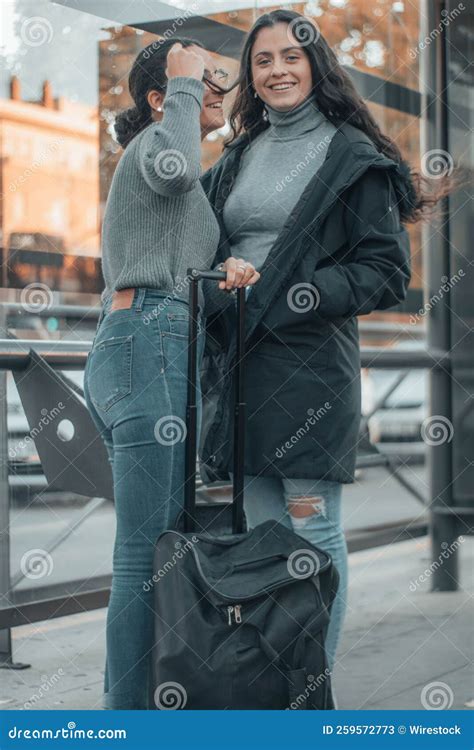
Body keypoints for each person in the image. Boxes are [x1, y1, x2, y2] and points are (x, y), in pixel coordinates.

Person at [200, 9, 453, 682]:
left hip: (309, 371)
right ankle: (273, 688)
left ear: (316, 66)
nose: (277, 69)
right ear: (251, 76)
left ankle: (311, 692)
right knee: (262, 540)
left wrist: (295, 292)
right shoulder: (238, 154)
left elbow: (385, 272)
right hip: (244, 367)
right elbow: (198, 237)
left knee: (311, 533)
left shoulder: (350, 156)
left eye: (291, 56)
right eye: (263, 61)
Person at [83, 37, 260, 710]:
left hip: (156, 341)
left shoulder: (168, 153)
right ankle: (125, 719)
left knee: (161, 546)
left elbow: (185, 257)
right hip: (146, 342)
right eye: (197, 80)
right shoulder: (157, 145)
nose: (213, 89)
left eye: (214, 81)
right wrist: (183, 87)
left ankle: (150, 703)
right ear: (161, 99)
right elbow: (180, 169)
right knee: (146, 553)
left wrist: (230, 272)